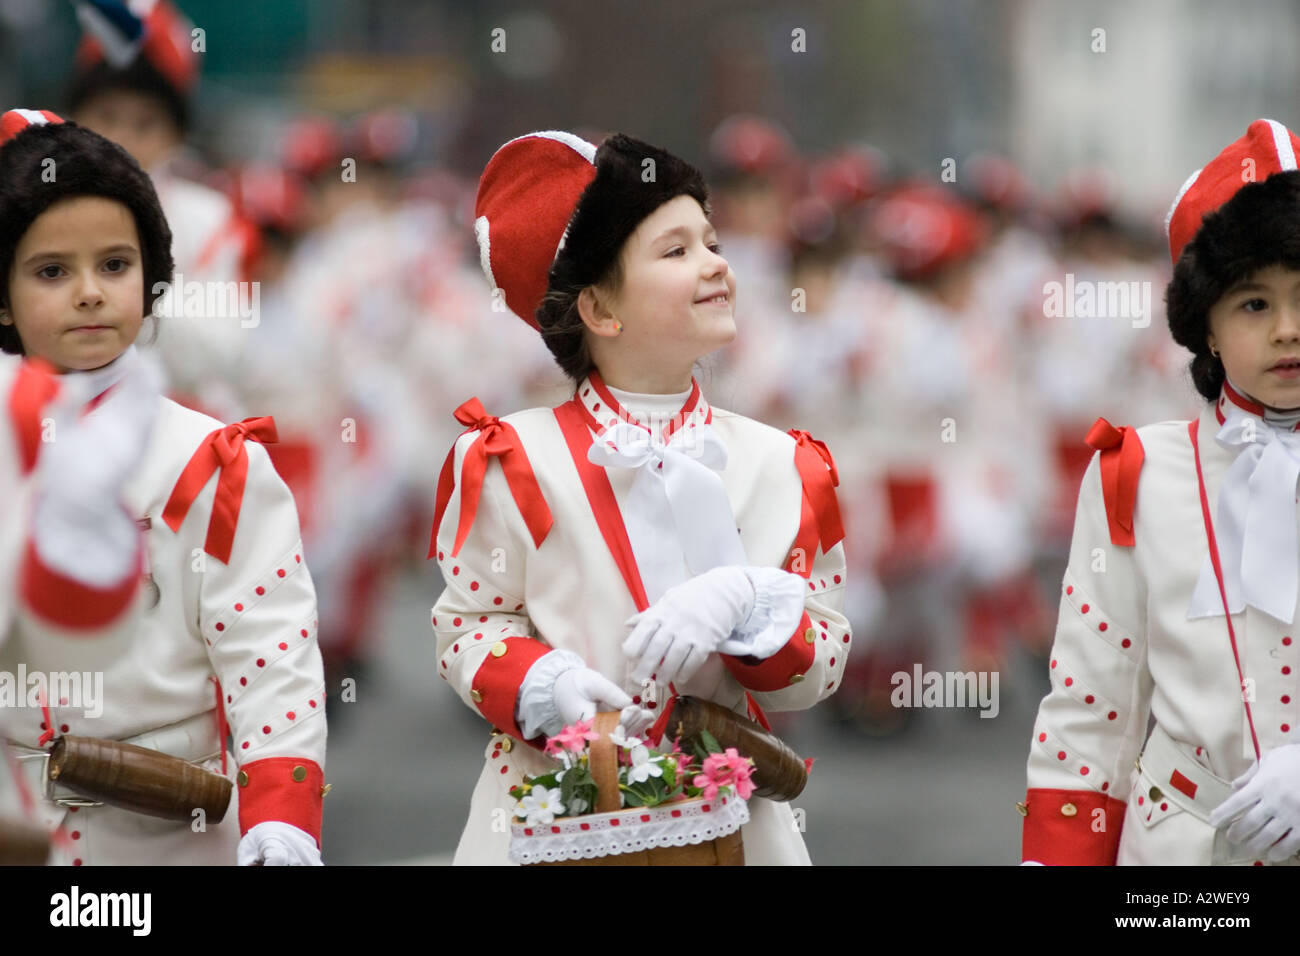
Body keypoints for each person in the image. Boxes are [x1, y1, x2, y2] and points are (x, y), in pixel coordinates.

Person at [431, 130, 850, 865]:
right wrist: (544, 682)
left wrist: (747, 601)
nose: (718, 262)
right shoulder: (512, 459)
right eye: (676, 250)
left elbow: (816, 670)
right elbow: (467, 628)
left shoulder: (779, 462)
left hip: (734, 827)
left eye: (711, 240)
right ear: (598, 309)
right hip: (548, 819)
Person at [0, 108, 325, 865]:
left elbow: (269, 650)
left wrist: (282, 813)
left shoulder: (214, 458)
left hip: (171, 829)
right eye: (51, 271)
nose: (89, 292)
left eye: (115, 264)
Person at [1022, 119, 1300, 866]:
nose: (1289, 330)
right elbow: (1092, 709)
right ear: (1203, 323)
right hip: (1180, 858)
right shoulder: (1136, 472)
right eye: (1253, 304)